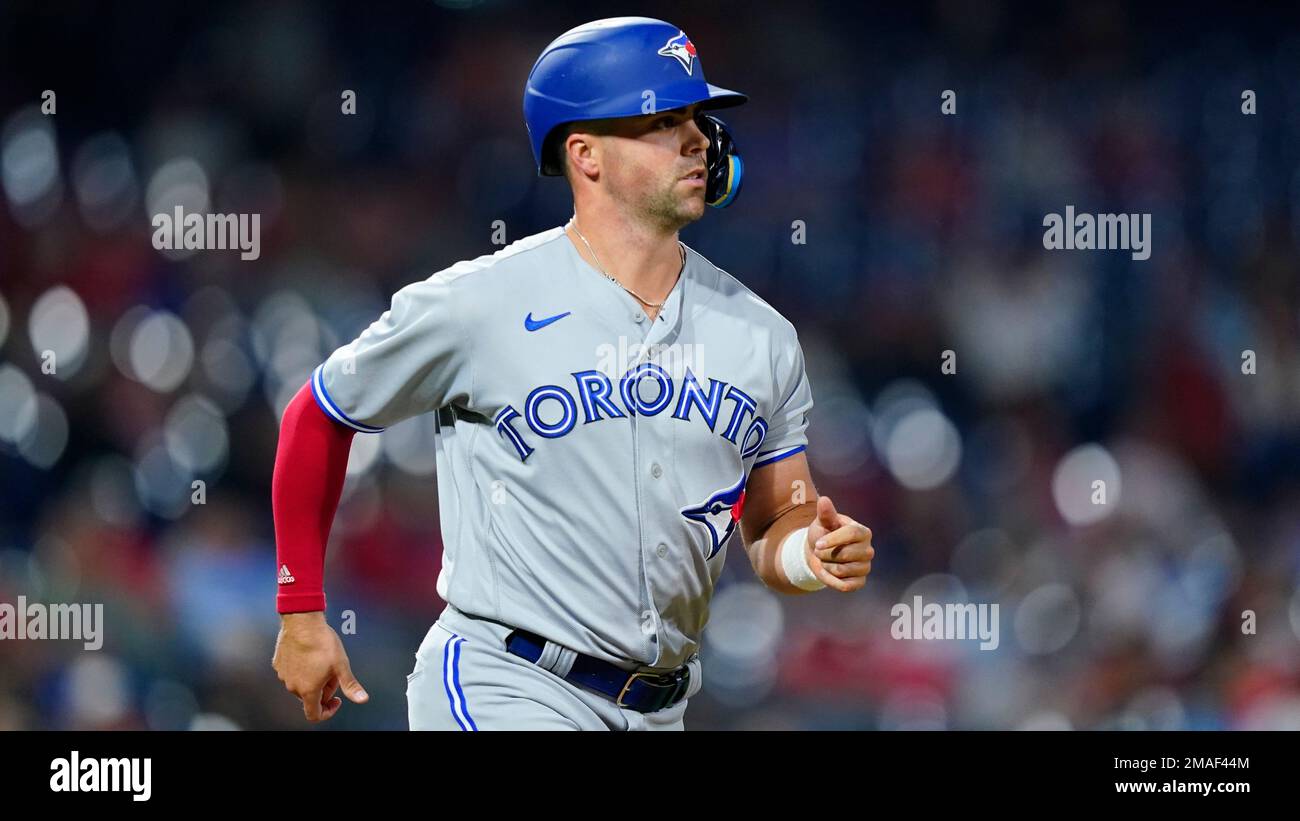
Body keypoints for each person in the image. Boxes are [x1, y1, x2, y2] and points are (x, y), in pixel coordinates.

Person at [270, 16, 874, 731]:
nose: (697, 138)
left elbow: (776, 522)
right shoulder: (480, 303)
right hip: (507, 682)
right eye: (663, 120)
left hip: (660, 707)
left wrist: (812, 552)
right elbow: (320, 412)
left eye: (698, 117)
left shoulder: (761, 335)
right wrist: (301, 608)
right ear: (585, 154)